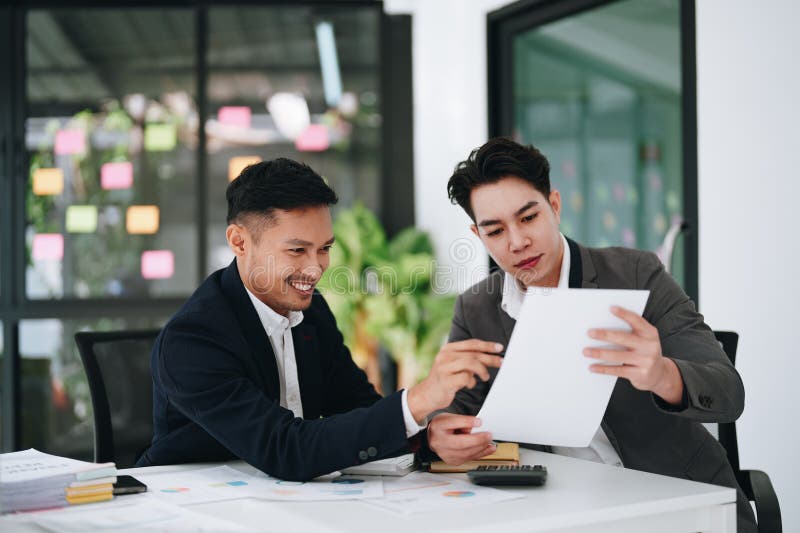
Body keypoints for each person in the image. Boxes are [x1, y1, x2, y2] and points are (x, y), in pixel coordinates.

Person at [426, 137, 757, 532]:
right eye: (495, 231)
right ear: (478, 236)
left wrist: (662, 374)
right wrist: (439, 431)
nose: (517, 243)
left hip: (676, 501)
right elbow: (457, 407)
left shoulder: (636, 274)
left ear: (555, 206)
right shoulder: (476, 308)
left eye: (528, 218)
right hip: (563, 512)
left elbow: (728, 392)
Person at [136, 158, 503, 481]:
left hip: (278, 500)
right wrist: (418, 399)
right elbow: (285, 449)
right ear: (240, 241)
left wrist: (424, 440)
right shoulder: (193, 340)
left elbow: (358, 406)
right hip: (189, 506)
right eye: (297, 250)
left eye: (324, 248)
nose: (315, 268)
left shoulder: (310, 313)